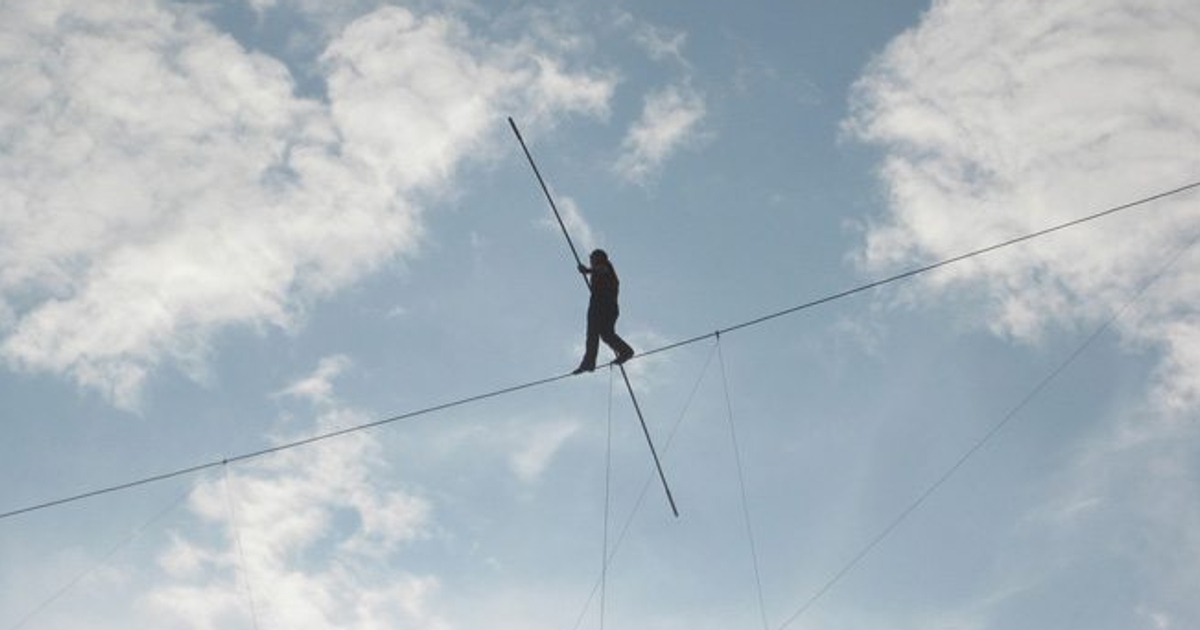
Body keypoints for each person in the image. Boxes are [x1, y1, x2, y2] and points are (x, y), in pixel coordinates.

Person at [573, 249, 635, 374]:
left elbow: (602, 269)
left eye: (592, 258)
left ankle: (589, 362)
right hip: (608, 307)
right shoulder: (600, 271)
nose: (591, 260)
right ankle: (625, 351)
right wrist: (588, 272)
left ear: (598, 258)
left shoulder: (605, 266)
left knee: (593, 333)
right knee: (606, 334)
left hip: (601, 306)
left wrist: (587, 270)